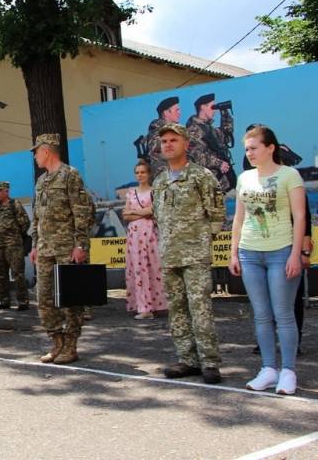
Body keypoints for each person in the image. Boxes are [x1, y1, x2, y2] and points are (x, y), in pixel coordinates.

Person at [229, 125, 305, 394]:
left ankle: (288, 371)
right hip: (250, 253)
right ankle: (268, 369)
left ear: (270, 147)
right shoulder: (244, 178)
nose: (249, 153)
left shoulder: (289, 175)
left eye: (254, 147)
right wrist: (233, 251)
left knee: (283, 314)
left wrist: (296, 254)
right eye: (247, 149)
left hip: (281, 252)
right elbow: (239, 218)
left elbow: (299, 217)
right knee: (261, 315)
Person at [152, 123, 225, 384]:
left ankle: (209, 362)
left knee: (200, 308)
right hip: (170, 254)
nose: (168, 145)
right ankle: (187, 360)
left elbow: (216, 215)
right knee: (178, 309)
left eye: (173, 140)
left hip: (195, 254)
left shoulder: (201, 176)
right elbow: (158, 218)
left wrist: (203, 241)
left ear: (186, 144)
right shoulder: (159, 181)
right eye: (164, 141)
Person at [29, 134, 93, 365]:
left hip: (67, 248)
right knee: (44, 298)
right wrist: (35, 244)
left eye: (37, 151)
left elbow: (81, 212)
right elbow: (36, 216)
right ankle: (57, 342)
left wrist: (80, 245)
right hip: (45, 248)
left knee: (70, 299)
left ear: (47, 151)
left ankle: (71, 345)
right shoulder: (41, 181)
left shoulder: (70, 175)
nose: (35, 156)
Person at [122, 160, 167, 319]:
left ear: (149, 174)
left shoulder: (154, 191)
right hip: (134, 234)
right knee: (138, 269)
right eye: (137, 172)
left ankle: (155, 305)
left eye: (143, 172)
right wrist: (143, 212)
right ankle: (143, 306)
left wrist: (136, 211)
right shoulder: (131, 192)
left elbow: (154, 211)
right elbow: (126, 215)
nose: (140, 175)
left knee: (153, 267)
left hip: (149, 233)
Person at [0, 181, 31, 311]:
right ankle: (4, 301)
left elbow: (25, 223)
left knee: (17, 273)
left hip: (13, 245)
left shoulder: (15, 204)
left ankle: (23, 301)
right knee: (0, 274)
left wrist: (15, 235)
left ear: (6, 191)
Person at [186, 93, 235, 193]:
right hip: (208, 187)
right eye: (212, 107)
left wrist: (224, 113)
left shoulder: (210, 129)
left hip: (221, 184)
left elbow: (226, 136)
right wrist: (218, 163)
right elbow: (196, 157)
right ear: (203, 107)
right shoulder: (193, 130)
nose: (215, 110)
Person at [146, 96, 181, 180]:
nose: (180, 113)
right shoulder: (157, 133)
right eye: (177, 110)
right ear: (166, 113)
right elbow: (157, 156)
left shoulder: (172, 132)